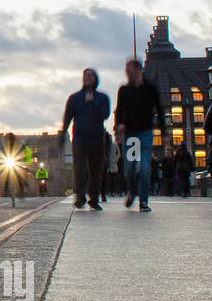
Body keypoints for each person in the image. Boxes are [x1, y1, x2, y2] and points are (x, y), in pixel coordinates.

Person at [114, 57, 165, 213]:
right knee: (129, 167)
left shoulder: (151, 89)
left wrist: (164, 131)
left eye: (130, 71)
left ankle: (143, 201)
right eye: (126, 72)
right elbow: (119, 111)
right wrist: (119, 125)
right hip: (131, 135)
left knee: (144, 168)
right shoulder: (124, 90)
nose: (128, 75)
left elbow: (159, 109)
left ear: (138, 70)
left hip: (145, 133)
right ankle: (131, 190)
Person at [60, 68, 110, 211]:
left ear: (95, 79)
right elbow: (68, 116)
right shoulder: (75, 98)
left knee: (95, 171)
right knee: (80, 169)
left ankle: (94, 198)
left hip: (96, 139)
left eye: (91, 76)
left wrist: (92, 103)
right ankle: (80, 197)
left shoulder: (102, 98)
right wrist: (63, 133)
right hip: (80, 139)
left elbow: (104, 115)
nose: (88, 78)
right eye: (86, 76)